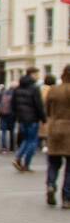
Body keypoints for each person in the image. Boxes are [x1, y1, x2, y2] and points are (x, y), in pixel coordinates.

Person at [45, 65, 70, 208]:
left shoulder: (54, 90)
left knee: (53, 162)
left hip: (55, 127)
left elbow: (47, 109)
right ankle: (67, 197)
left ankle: (50, 184)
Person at [12, 69, 45, 172]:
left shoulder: (18, 88)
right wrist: (43, 118)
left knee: (26, 139)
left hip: (22, 119)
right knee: (32, 141)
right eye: (37, 74)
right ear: (32, 75)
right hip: (33, 118)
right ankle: (26, 163)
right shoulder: (34, 88)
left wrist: (17, 116)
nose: (38, 76)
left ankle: (18, 157)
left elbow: (13, 104)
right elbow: (38, 105)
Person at [0, 80, 16, 153]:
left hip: (2, 114)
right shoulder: (13, 94)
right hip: (11, 114)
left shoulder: (0, 93)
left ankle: (4, 147)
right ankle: (12, 148)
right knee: (12, 131)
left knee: (3, 131)